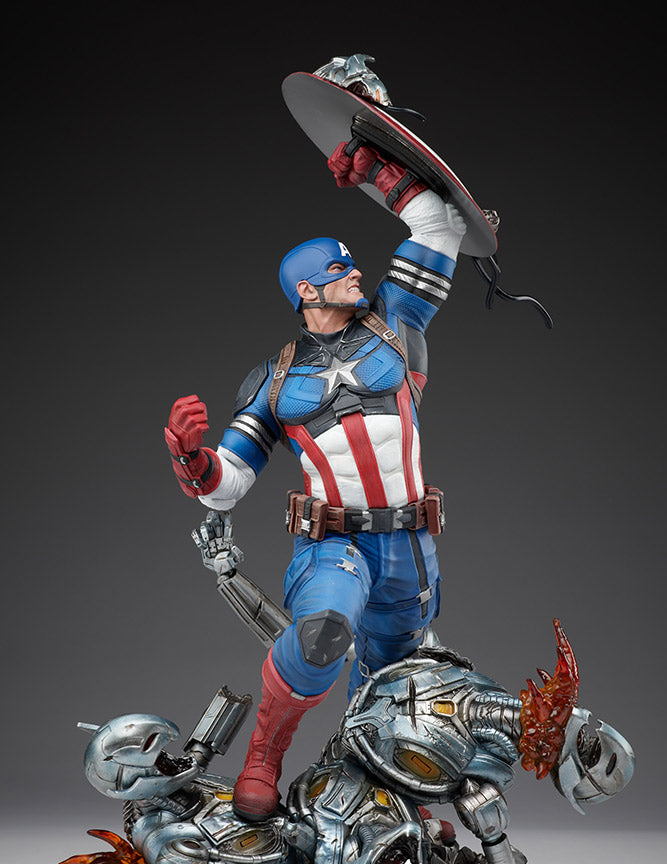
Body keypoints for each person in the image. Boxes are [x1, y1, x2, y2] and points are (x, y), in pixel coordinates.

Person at [165, 140, 467, 821]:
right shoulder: (273, 379)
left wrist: (378, 172)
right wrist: (192, 459)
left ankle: (384, 792)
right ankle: (263, 757)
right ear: (307, 291)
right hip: (335, 544)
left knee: (393, 680)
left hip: (410, 542)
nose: (355, 272)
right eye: (339, 270)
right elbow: (227, 483)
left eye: (352, 265)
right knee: (321, 633)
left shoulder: (395, 322)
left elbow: (440, 224)